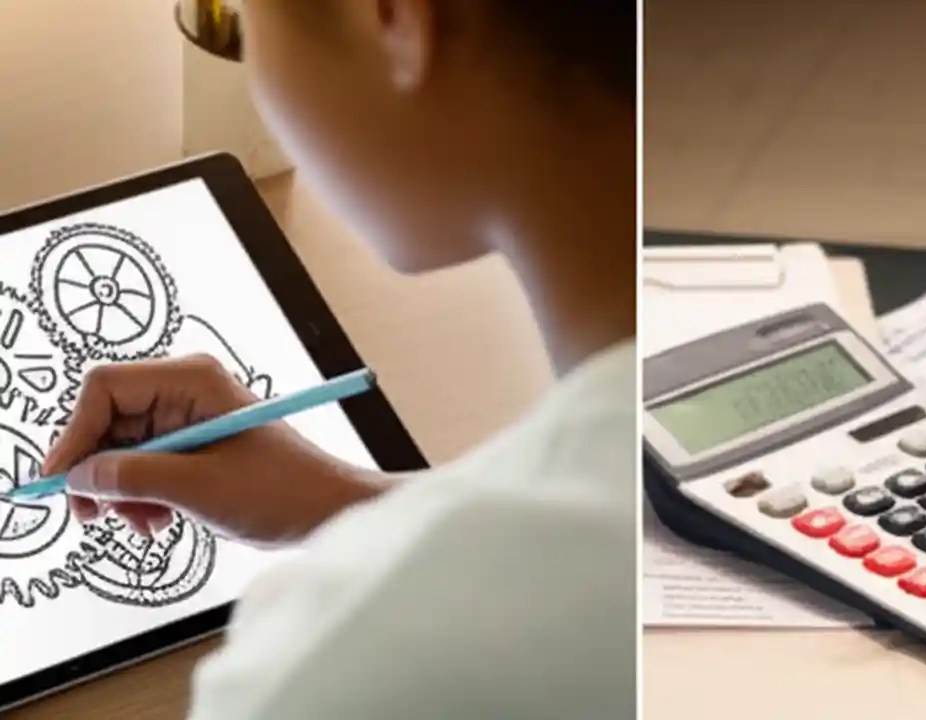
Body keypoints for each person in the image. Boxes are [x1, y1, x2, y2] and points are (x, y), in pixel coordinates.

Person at [41, 1, 636, 717]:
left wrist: (384, 564)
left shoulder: (327, 669)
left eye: (243, 19)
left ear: (395, 20)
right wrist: (355, 505)